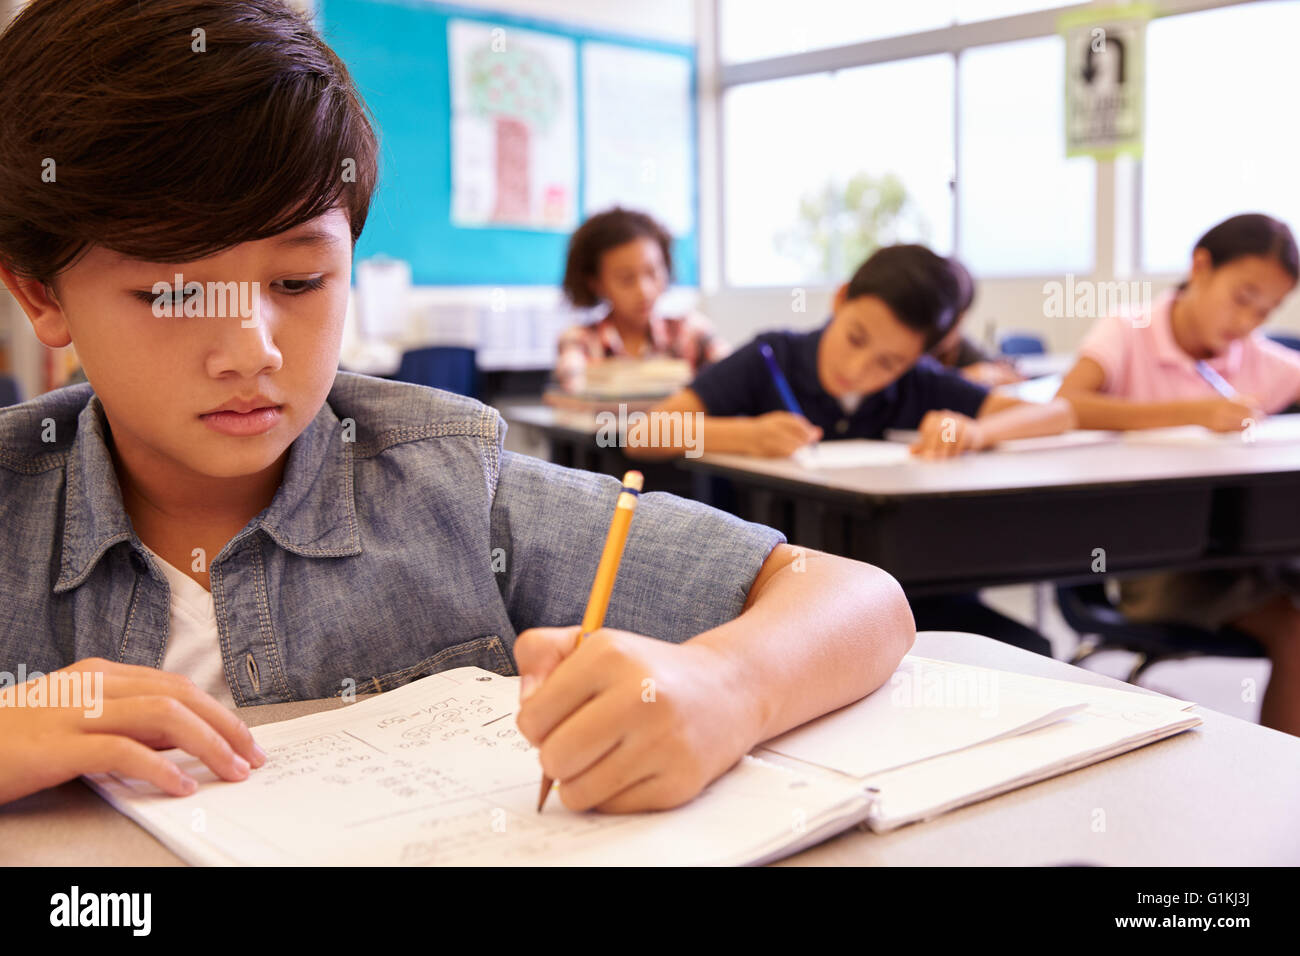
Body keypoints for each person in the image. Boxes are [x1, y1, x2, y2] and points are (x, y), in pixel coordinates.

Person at [0, 0, 915, 810]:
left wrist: (726, 686)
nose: (253, 349)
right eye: (172, 295)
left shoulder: (446, 485)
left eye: (300, 278)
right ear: (42, 294)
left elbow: (857, 597)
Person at [1058, 212, 1300, 735]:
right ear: (1201, 266)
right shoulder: (1129, 331)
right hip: (1152, 563)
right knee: (1297, 630)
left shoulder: (1257, 359)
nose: (1248, 322)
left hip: (1242, 554)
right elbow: (1068, 405)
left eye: (1267, 310)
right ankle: (1286, 780)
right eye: (1243, 297)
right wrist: (1191, 411)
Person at [636, 244, 1074, 460]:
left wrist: (976, 433)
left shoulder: (918, 383)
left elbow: (1059, 415)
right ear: (841, 298)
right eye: (856, 338)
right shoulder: (773, 357)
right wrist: (746, 436)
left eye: (889, 362)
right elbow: (646, 434)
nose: (858, 368)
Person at [555, 207, 726, 393]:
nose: (644, 291)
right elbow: (572, 383)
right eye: (626, 279)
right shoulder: (581, 340)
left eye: (653, 272)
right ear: (596, 283)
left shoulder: (692, 332)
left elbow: (732, 375)